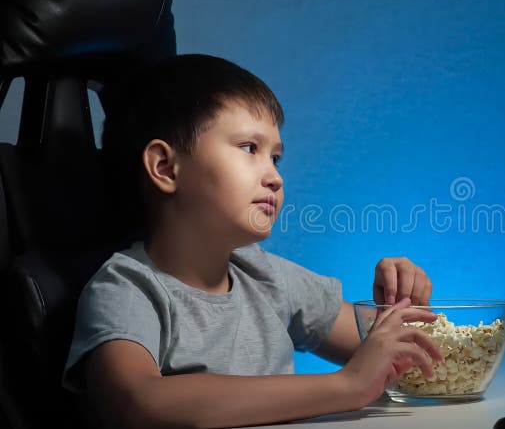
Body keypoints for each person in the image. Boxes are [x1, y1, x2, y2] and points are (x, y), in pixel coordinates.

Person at [62, 53, 443, 428]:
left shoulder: (263, 274)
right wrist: (346, 386)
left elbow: (398, 359)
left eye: (275, 158)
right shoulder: (128, 289)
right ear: (165, 167)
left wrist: (398, 309)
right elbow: (136, 402)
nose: (275, 177)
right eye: (249, 148)